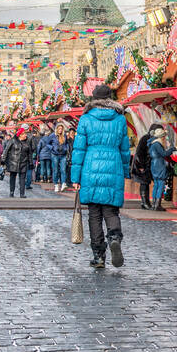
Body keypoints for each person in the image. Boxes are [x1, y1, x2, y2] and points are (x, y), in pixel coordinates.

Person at [71, 85, 130, 269]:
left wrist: (75, 177)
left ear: (94, 98)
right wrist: (125, 171)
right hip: (113, 167)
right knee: (111, 211)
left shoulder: (86, 119)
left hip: (90, 168)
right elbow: (125, 150)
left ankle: (98, 256)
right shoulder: (120, 119)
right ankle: (114, 237)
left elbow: (79, 150)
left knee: (94, 214)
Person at [147, 125, 174, 211]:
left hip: (154, 165)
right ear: (161, 137)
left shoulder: (152, 144)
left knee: (156, 184)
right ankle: (157, 205)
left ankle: (154, 204)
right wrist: (172, 149)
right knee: (161, 184)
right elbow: (164, 154)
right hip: (159, 165)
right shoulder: (157, 144)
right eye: (164, 136)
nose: (164, 138)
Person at [3, 124, 35, 198]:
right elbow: (6, 150)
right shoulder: (13, 140)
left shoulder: (27, 142)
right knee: (12, 177)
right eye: (24, 134)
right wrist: (3, 160)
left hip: (23, 162)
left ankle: (22, 193)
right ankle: (11, 192)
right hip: (13, 162)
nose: (26, 136)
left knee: (22, 178)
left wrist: (30, 163)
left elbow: (29, 153)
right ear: (20, 135)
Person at [130, 128, 154, 209]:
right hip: (141, 165)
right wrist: (141, 166)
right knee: (144, 182)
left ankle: (145, 202)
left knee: (145, 183)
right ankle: (145, 202)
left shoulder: (149, 138)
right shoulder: (145, 139)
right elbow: (139, 153)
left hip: (145, 165)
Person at [51, 122, 71, 192]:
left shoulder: (64, 135)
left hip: (63, 155)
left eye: (61, 129)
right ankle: (56, 185)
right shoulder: (52, 135)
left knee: (63, 170)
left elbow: (67, 144)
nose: (60, 130)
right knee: (55, 170)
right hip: (55, 155)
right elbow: (47, 144)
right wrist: (52, 147)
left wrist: (66, 148)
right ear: (56, 129)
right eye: (59, 128)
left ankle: (63, 184)